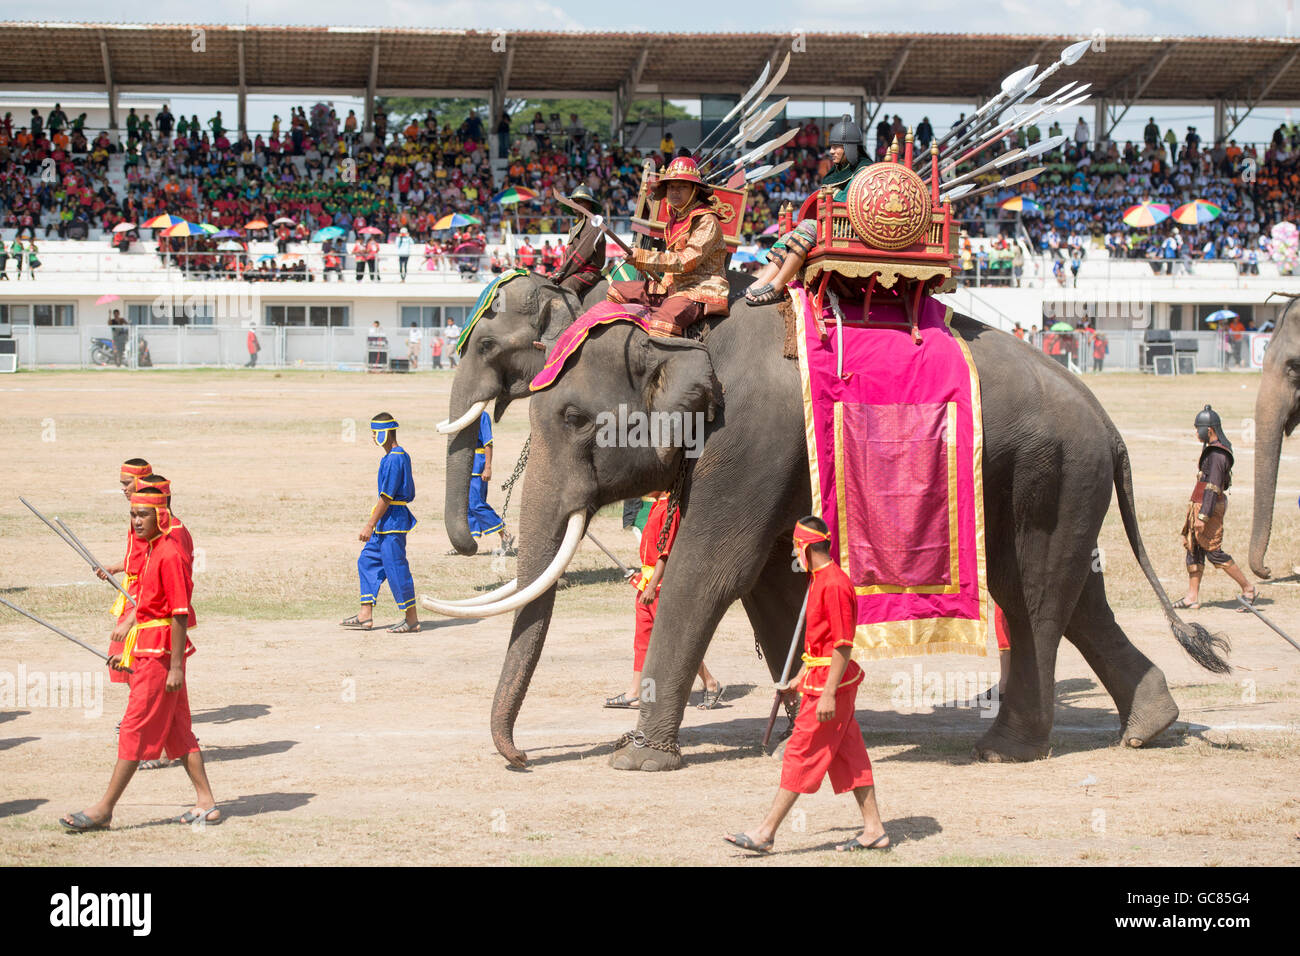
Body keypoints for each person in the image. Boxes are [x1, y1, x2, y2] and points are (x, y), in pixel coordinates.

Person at [59, 481, 219, 830]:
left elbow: (178, 613)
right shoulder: (151, 551)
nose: (136, 521)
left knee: (133, 727)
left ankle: (104, 808)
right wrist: (128, 655)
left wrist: (175, 667)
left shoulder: (170, 553)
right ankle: (206, 801)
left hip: (162, 654)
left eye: (143, 514)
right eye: (132, 514)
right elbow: (146, 609)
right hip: (148, 649)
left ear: (161, 515)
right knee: (178, 729)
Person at [724, 515, 887, 854]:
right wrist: (799, 677)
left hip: (831, 686)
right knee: (849, 754)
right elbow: (820, 646)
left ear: (807, 546)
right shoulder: (818, 579)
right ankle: (874, 830)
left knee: (799, 752)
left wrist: (827, 694)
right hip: (820, 679)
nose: (795, 555)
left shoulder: (835, 584)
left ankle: (765, 833)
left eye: (797, 548)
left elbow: (843, 645)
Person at [604, 490, 724, 711]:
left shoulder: (671, 508)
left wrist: (651, 585)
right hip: (648, 586)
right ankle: (636, 693)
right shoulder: (653, 506)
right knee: (642, 641)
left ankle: (710, 682)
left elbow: (665, 554)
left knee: (674, 642)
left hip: (662, 588)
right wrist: (641, 578)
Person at [745, 115, 870, 305]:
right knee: (788, 236)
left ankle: (778, 285)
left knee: (806, 228)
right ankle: (762, 281)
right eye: (831, 146)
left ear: (850, 147)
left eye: (836, 147)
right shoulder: (840, 170)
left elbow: (849, 205)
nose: (831, 151)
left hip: (850, 231)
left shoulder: (864, 172)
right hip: (833, 225)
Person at [607, 156, 729, 336]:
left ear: (695, 190)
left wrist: (643, 257)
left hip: (699, 289)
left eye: (682, 186)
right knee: (615, 291)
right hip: (673, 286)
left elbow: (687, 261)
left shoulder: (706, 220)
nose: (675, 192)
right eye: (671, 187)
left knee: (660, 324)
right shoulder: (675, 218)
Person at [340, 413, 420, 633]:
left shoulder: (396, 457)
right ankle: (365, 615)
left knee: (396, 569)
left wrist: (369, 525)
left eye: (375, 433)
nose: (373, 437)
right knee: (367, 561)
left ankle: (411, 620)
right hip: (384, 522)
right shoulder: (390, 457)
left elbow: (386, 496)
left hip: (393, 521)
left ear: (385, 433)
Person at [1176, 405, 1257, 611]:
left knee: (1214, 552)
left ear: (1209, 430)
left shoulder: (1218, 455)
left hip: (1208, 507)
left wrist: (1203, 516)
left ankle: (1248, 589)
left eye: (1198, 428)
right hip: (1199, 504)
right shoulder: (1211, 451)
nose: (1196, 432)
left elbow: (1212, 488)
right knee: (1194, 549)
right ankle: (1191, 597)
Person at [465, 410, 514, 555]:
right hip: (466, 465)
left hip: (477, 465)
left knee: (476, 504)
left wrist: (487, 467)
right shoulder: (465, 414)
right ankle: (466, 542)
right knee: (466, 507)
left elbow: (488, 442)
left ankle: (505, 535)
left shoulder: (482, 415)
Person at [551, 184, 607, 297]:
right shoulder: (575, 227)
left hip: (587, 273)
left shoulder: (593, 225)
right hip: (574, 271)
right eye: (574, 201)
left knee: (563, 291)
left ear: (589, 204)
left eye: (580, 201)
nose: (575, 204)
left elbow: (580, 254)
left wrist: (561, 273)